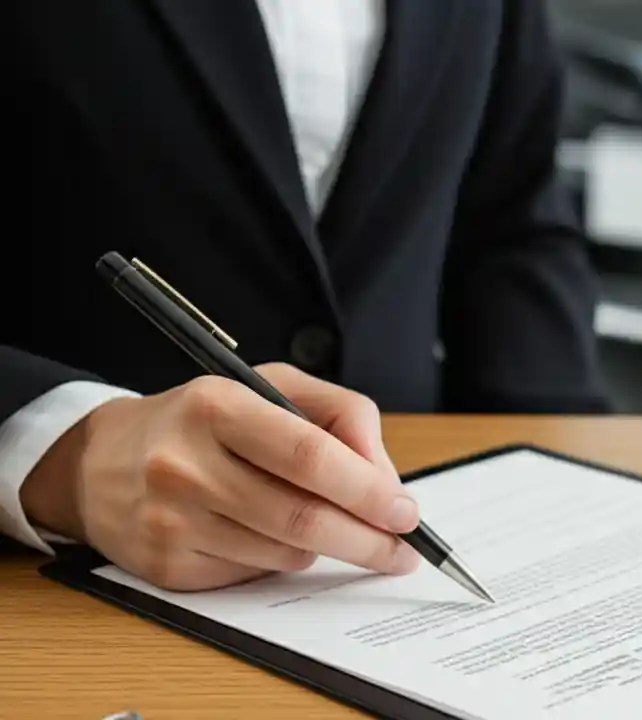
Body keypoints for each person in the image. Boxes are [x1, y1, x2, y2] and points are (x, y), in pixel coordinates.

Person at [2, 1, 608, 591]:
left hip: (413, 517)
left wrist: (557, 466)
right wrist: (64, 453)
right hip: (57, 581)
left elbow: (514, 215)